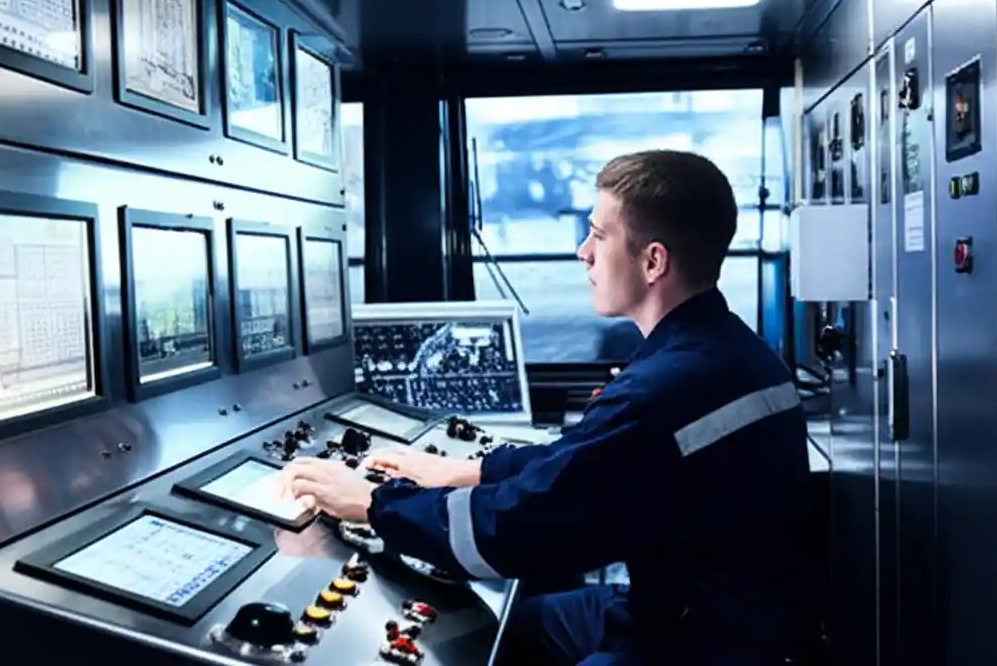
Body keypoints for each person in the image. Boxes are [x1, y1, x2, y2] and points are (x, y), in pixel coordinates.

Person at [280, 150, 811, 665]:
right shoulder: (722, 350)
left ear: (653, 261)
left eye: (599, 236)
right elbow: (586, 459)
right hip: (700, 610)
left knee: (482, 634)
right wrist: (469, 469)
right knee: (505, 628)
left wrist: (374, 503)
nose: (583, 251)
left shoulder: (665, 388)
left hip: (697, 645)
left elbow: (523, 526)